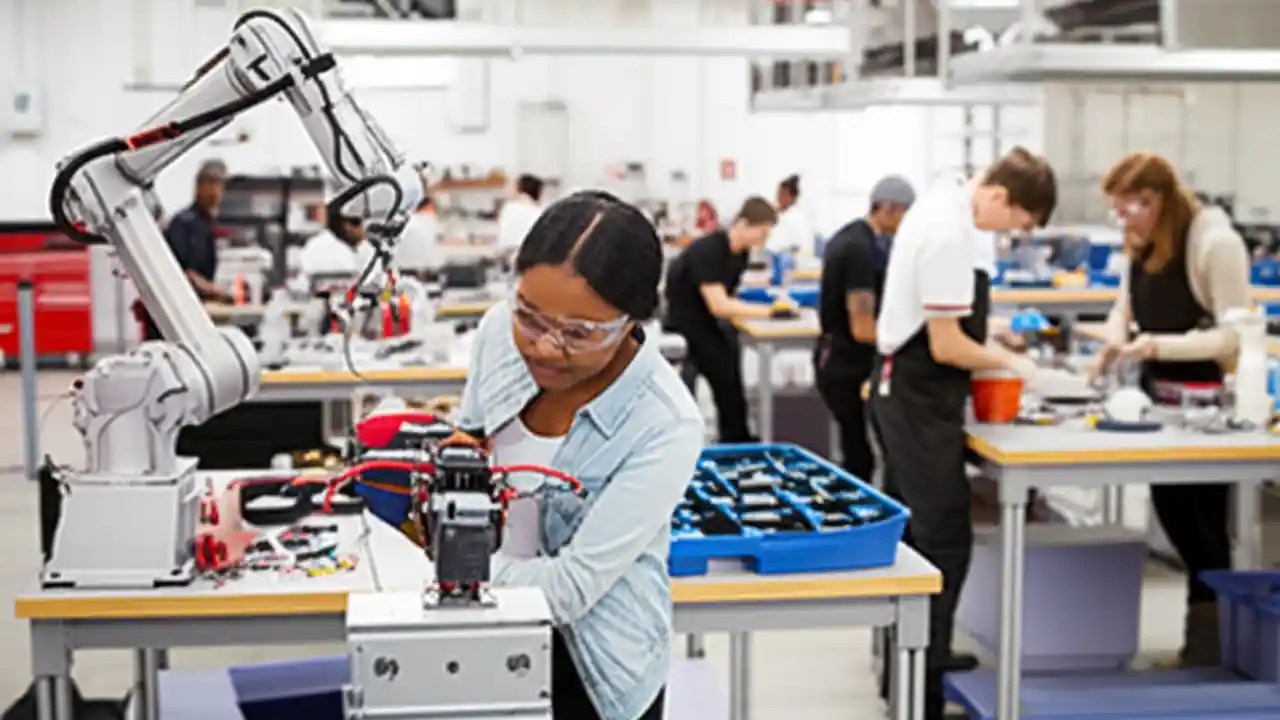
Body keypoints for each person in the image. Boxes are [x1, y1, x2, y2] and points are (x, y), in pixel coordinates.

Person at [451, 191, 703, 719]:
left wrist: (450, 569)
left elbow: (571, 588)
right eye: (532, 317)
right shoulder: (500, 330)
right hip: (482, 638)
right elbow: (469, 441)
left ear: (633, 321)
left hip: (592, 668)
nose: (544, 346)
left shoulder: (663, 423)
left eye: (578, 334)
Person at [867, 147, 1056, 720]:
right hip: (918, 396)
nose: (1013, 234)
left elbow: (942, 315)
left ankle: (910, 667)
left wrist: (995, 334)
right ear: (999, 196)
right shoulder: (950, 231)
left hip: (911, 392)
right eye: (1018, 224)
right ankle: (922, 683)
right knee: (942, 538)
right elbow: (948, 345)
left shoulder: (946, 206)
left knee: (912, 538)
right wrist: (1014, 365)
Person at [1089, 152, 1251, 666]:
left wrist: (1157, 347)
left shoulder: (1214, 243)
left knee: (1201, 528)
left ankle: (1211, 646)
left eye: (1129, 209)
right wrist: (1115, 341)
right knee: (1172, 511)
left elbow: (1234, 335)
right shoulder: (1142, 239)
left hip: (1205, 401)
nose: (1123, 221)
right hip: (1158, 398)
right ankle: (1207, 640)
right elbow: (1124, 306)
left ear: (1154, 200)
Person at [814, 175, 915, 481]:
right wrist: (912, 342)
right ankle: (860, 521)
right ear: (888, 209)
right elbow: (862, 328)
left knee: (858, 451)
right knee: (862, 457)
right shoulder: (859, 249)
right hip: (846, 365)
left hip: (837, 357)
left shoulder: (854, 238)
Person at [664, 197, 778, 443]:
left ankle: (737, 434)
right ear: (744, 224)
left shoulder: (740, 255)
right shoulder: (710, 250)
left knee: (731, 353)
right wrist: (770, 311)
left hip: (708, 322)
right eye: (762, 233)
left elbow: (728, 298)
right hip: (686, 324)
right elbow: (719, 305)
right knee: (722, 365)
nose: (763, 241)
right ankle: (735, 437)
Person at [139, 159, 234, 340]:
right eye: (211, 184)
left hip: (188, 311)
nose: (216, 192)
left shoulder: (207, 224)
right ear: (198, 186)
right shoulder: (185, 223)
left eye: (220, 185)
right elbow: (179, 272)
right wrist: (215, 291)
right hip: (171, 313)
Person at [298, 211, 382, 283]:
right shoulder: (319, 247)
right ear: (346, 226)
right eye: (358, 223)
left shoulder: (365, 248)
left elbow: (378, 280)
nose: (362, 229)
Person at [767, 174, 817, 263]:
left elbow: (779, 244)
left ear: (793, 197)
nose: (779, 198)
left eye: (783, 195)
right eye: (778, 193)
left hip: (794, 260)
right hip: (780, 256)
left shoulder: (796, 217)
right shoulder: (781, 214)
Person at [497, 173, 545, 259]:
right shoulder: (541, 211)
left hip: (512, 256)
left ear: (518, 188)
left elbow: (503, 240)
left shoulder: (509, 208)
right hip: (533, 257)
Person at [394, 195, 442, 278]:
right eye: (433, 208)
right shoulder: (429, 221)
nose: (434, 211)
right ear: (428, 206)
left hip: (402, 269)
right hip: (426, 271)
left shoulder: (406, 220)